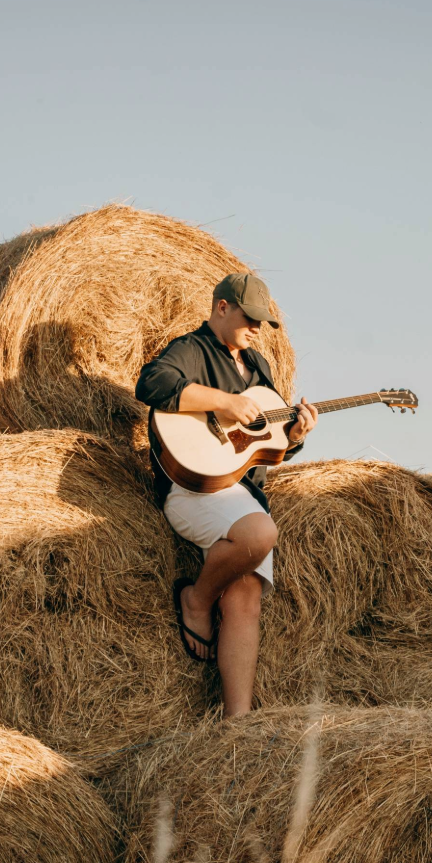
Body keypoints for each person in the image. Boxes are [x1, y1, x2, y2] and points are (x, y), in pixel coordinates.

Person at [134, 272, 316, 718]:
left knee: (246, 595)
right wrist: (221, 401)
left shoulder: (259, 368)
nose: (256, 329)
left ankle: (238, 725)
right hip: (193, 488)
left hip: (243, 491)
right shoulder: (192, 349)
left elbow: (268, 446)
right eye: (249, 318)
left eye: (262, 322)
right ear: (222, 308)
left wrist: (294, 434)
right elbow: (151, 383)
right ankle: (195, 600)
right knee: (260, 534)